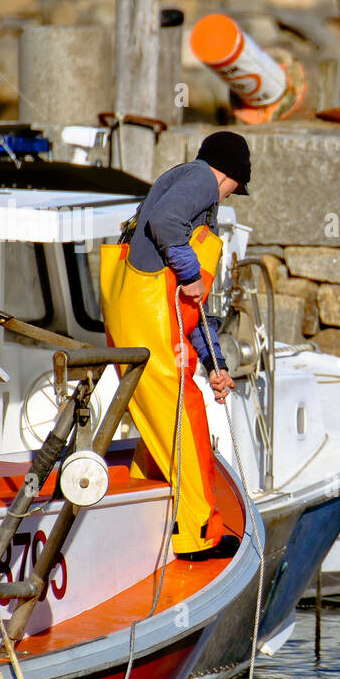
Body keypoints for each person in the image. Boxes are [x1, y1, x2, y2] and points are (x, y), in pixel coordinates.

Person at [99, 131, 252, 561]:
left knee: (158, 417)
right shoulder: (201, 179)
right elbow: (165, 224)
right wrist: (188, 270)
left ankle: (148, 513)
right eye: (235, 186)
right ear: (230, 175)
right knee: (186, 414)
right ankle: (196, 536)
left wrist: (214, 362)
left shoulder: (184, 187)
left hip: (138, 315)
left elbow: (193, 310)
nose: (229, 195)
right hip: (150, 315)